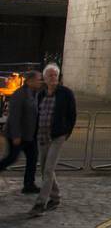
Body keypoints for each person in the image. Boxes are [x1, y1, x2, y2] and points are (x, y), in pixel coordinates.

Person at [30, 63, 77, 216]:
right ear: (44, 78)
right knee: (45, 169)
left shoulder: (66, 93)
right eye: (50, 75)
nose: (53, 78)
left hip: (57, 136)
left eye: (55, 75)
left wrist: (67, 132)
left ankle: (40, 203)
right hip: (42, 136)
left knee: (48, 169)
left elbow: (72, 115)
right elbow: (37, 114)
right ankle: (55, 197)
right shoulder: (41, 94)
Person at [0, 70, 42, 192]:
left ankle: (29, 185)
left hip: (29, 135)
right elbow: (14, 116)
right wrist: (16, 135)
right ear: (30, 81)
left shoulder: (34, 93)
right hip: (18, 134)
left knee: (32, 158)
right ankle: (29, 184)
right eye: (38, 79)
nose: (40, 81)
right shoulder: (20, 94)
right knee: (11, 158)